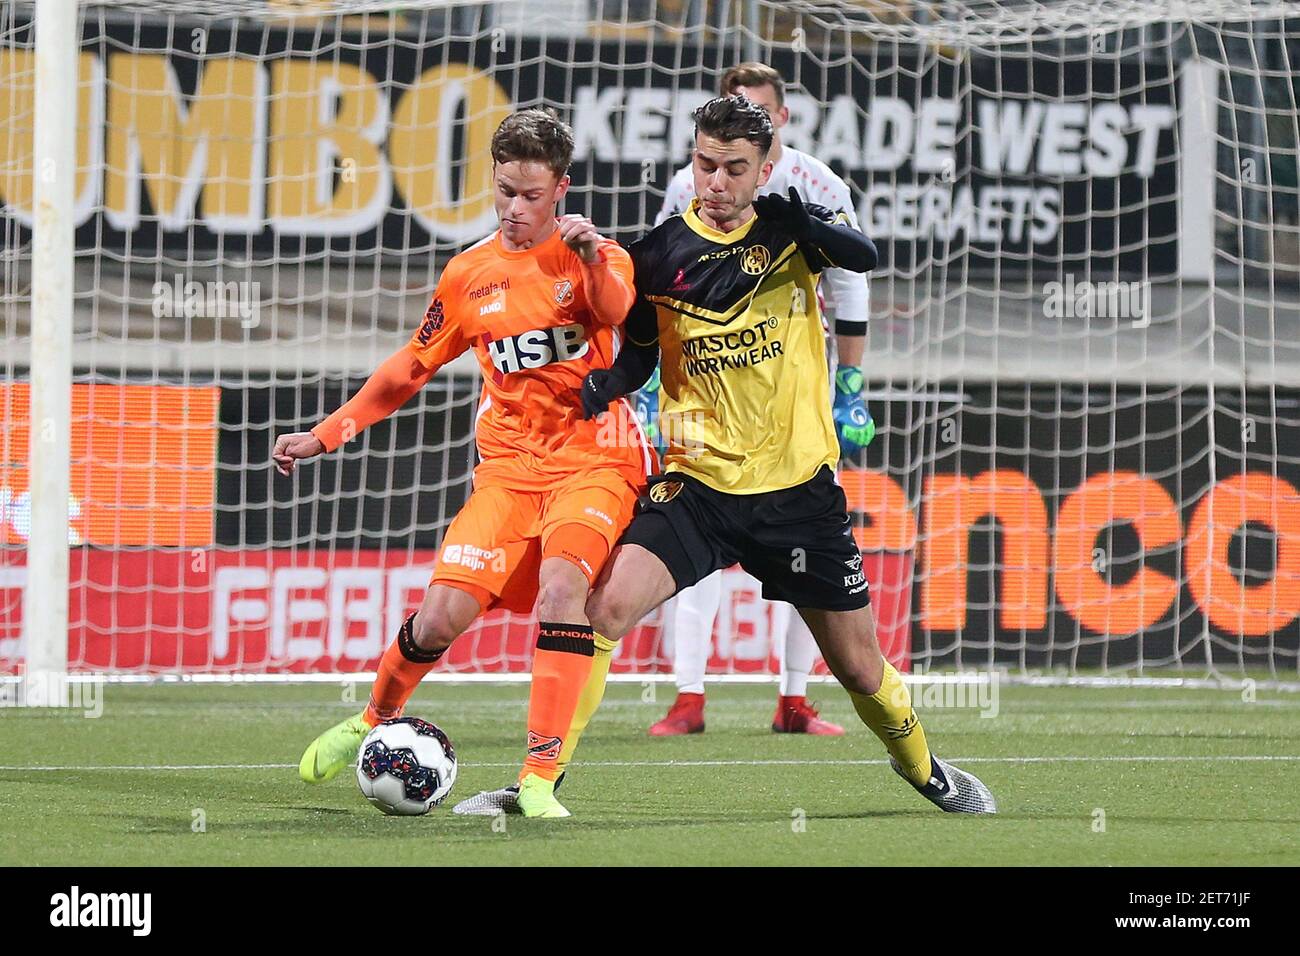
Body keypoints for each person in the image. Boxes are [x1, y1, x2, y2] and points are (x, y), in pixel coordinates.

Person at [456, 94, 996, 816]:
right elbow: (641, 350)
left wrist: (803, 221)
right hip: (698, 487)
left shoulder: (792, 231)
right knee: (602, 607)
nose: (715, 183)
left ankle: (926, 771)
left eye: (734, 170)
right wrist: (607, 385)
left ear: (765, 169)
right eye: (705, 165)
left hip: (796, 494)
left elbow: (864, 257)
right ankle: (539, 783)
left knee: (861, 670)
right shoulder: (656, 255)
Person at [273, 108, 654, 819]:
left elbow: (622, 310)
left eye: (531, 195)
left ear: (560, 189)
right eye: (504, 190)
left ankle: (538, 782)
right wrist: (327, 434)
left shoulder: (597, 256)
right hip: (508, 470)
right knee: (441, 617)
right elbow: (411, 367)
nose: (515, 208)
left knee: (563, 594)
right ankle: (374, 719)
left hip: (595, 462)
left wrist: (594, 256)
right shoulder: (469, 274)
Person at [644, 62, 874, 737]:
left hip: (786, 393)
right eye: (733, 106)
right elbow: (660, 275)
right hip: (698, 391)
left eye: (758, 111)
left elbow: (854, 282)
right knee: (692, 535)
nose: (744, 119)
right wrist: (654, 372)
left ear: (781, 123)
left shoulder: (817, 184)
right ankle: (689, 696)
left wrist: (850, 385)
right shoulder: (691, 182)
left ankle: (795, 698)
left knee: (803, 552)